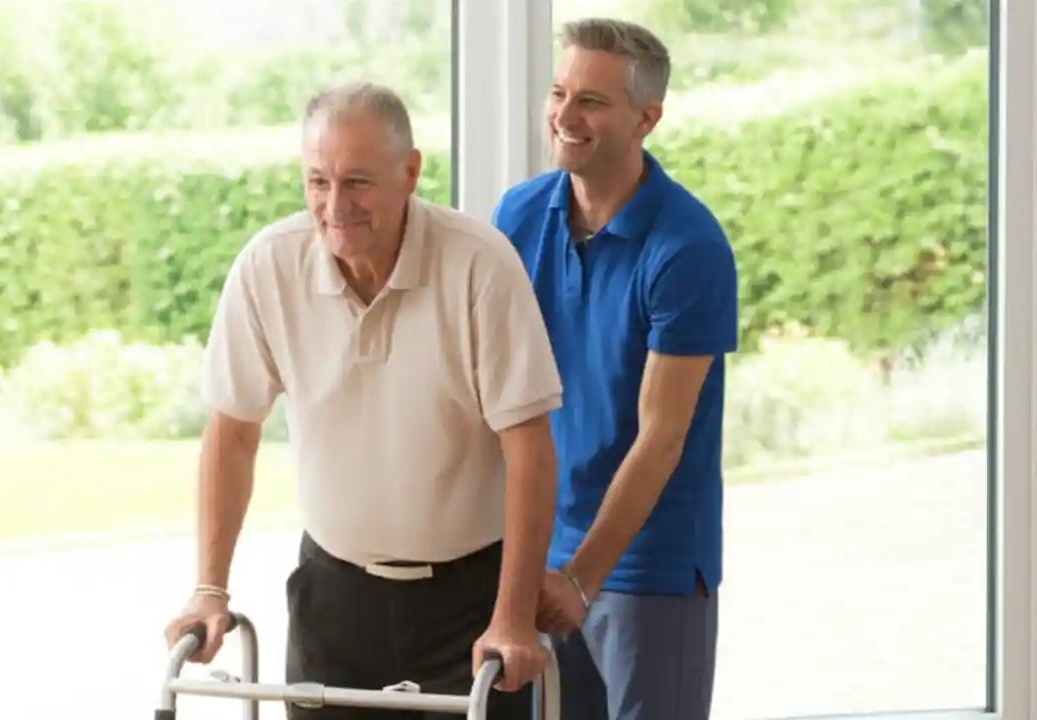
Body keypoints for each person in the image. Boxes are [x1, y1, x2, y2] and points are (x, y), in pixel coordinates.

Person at [162, 80, 564, 719]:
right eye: (318, 181)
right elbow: (232, 433)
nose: (335, 206)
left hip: (470, 603)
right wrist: (210, 588)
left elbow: (531, 451)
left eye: (357, 182)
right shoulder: (269, 267)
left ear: (411, 172)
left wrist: (513, 616)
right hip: (334, 601)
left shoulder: (479, 265)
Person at [491, 17, 740, 720]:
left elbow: (661, 439)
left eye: (592, 102)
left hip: (648, 564)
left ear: (646, 119)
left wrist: (582, 577)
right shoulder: (519, 215)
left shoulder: (688, 247)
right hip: (544, 546)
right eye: (559, 93)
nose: (564, 116)